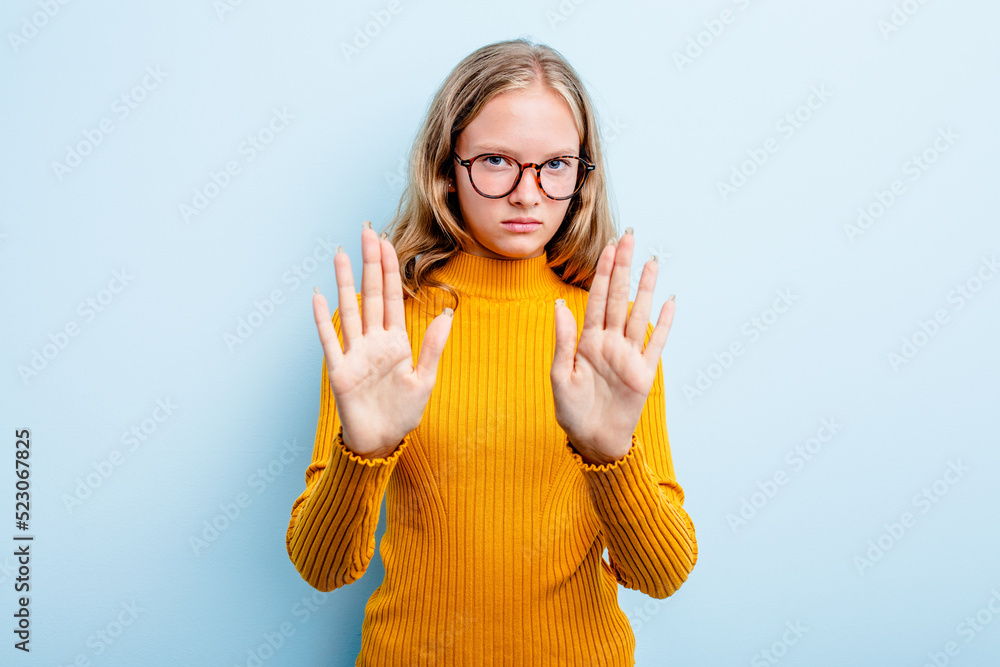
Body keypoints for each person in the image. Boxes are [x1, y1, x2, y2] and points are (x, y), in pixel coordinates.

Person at [285, 37, 697, 666]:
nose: (529, 195)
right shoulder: (381, 326)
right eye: (498, 161)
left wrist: (609, 457)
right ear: (445, 168)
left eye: (557, 164)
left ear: (583, 176)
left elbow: (663, 575)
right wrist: (362, 454)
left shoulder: (608, 329)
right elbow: (323, 568)